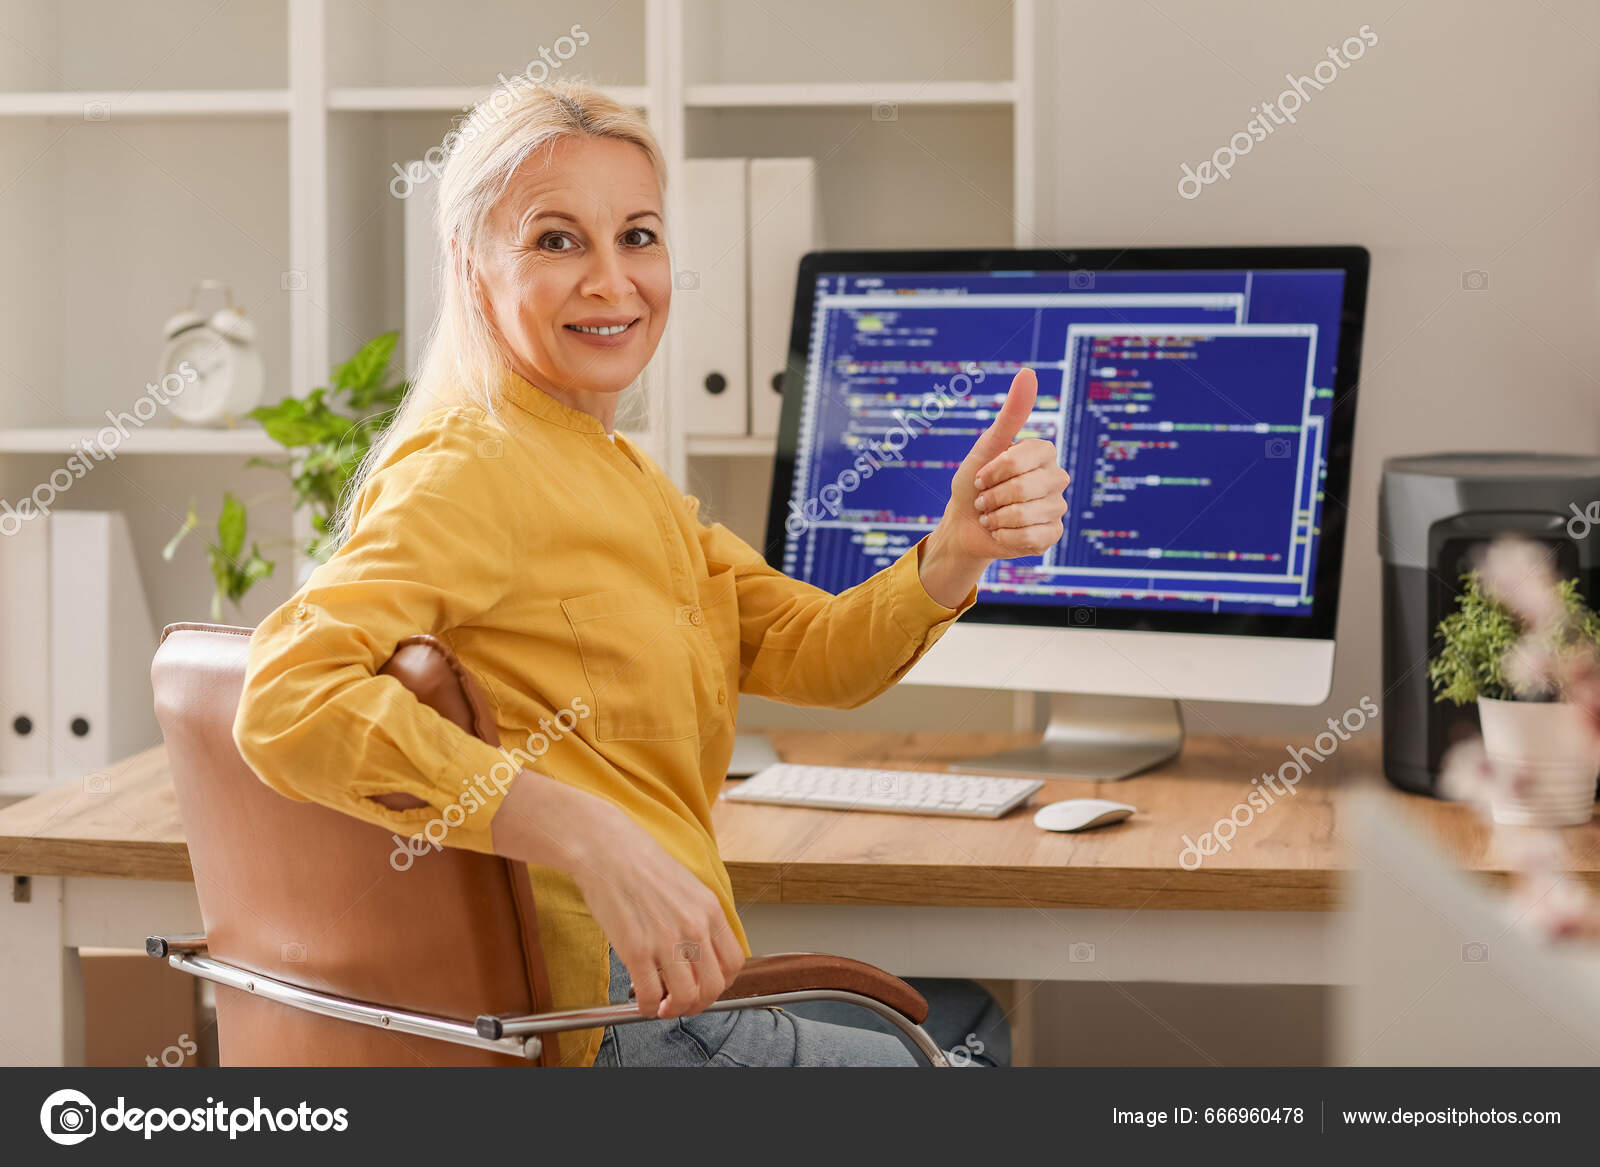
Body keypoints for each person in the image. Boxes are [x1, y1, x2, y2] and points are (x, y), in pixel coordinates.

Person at [232, 79, 1069, 1067]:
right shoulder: (469, 469)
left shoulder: (628, 483)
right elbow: (286, 697)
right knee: (957, 1054)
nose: (610, 280)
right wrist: (583, 830)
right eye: (555, 240)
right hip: (601, 1013)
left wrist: (952, 552)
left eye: (637, 236)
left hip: (659, 977)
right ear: (469, 267)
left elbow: (814, 653)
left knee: (964, 1019)